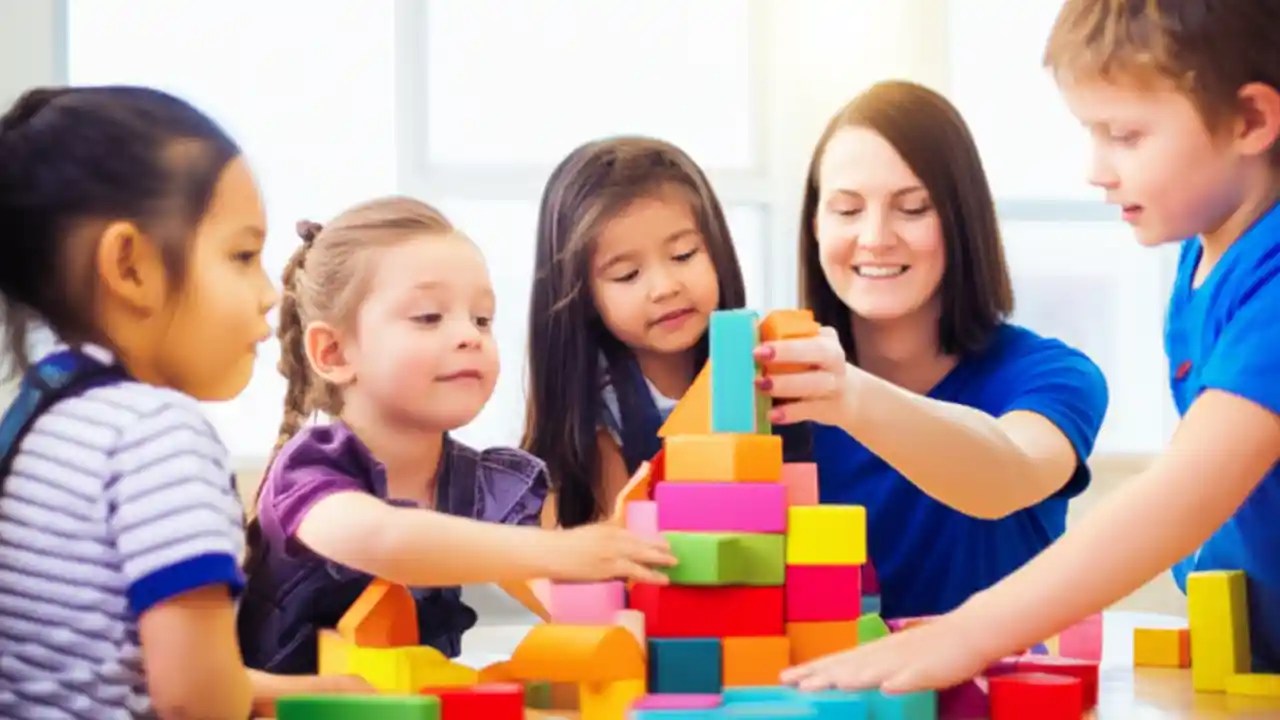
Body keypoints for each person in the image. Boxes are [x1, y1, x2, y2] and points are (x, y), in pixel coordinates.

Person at [781, 0, 1280, 692]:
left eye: (1126, 135)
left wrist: (966, 632)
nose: (1096, 170)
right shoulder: (1206, 262)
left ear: (1253, 121)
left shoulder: (1265, 280)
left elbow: (1187, 492)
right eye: (843, 207)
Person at [238, 197, 675, 674]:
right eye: (428, 316)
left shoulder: (491, 485)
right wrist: (567, 550)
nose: (470, 336)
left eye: (482, 319)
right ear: (335, 352)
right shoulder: (311, 473)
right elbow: (387, 541)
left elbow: (578, 607)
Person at [753, 80, 1109, 620]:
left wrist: (850, 396)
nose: (875, 237)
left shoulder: (1051, 375)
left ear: (961, 221)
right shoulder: (768, 391)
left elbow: (1008, 474)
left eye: (913, 208)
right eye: (847, 211)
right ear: (815, 227)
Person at [0, 85, 265, 718]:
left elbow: (113, 669)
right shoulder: (157, 432)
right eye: (244, 256)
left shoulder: (44, 415)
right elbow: (193, 702)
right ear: (131, 266)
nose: (270, 291)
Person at [522, 136, 809, 529]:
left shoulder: (761, 364)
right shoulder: (598, 410)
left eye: (683, 255)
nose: (665, 287)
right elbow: (619, 541)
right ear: (584, 295)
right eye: (627, 275)